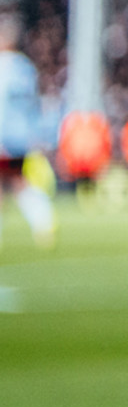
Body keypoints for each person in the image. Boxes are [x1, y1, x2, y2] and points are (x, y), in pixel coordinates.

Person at [0, 13, 54, 250]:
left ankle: (42, 217)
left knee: (12, 182)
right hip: (20, 136)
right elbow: (33, 104)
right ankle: (42, 218)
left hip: (4, 133)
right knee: (15, 180)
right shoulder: (25, 67)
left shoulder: (3, 66)